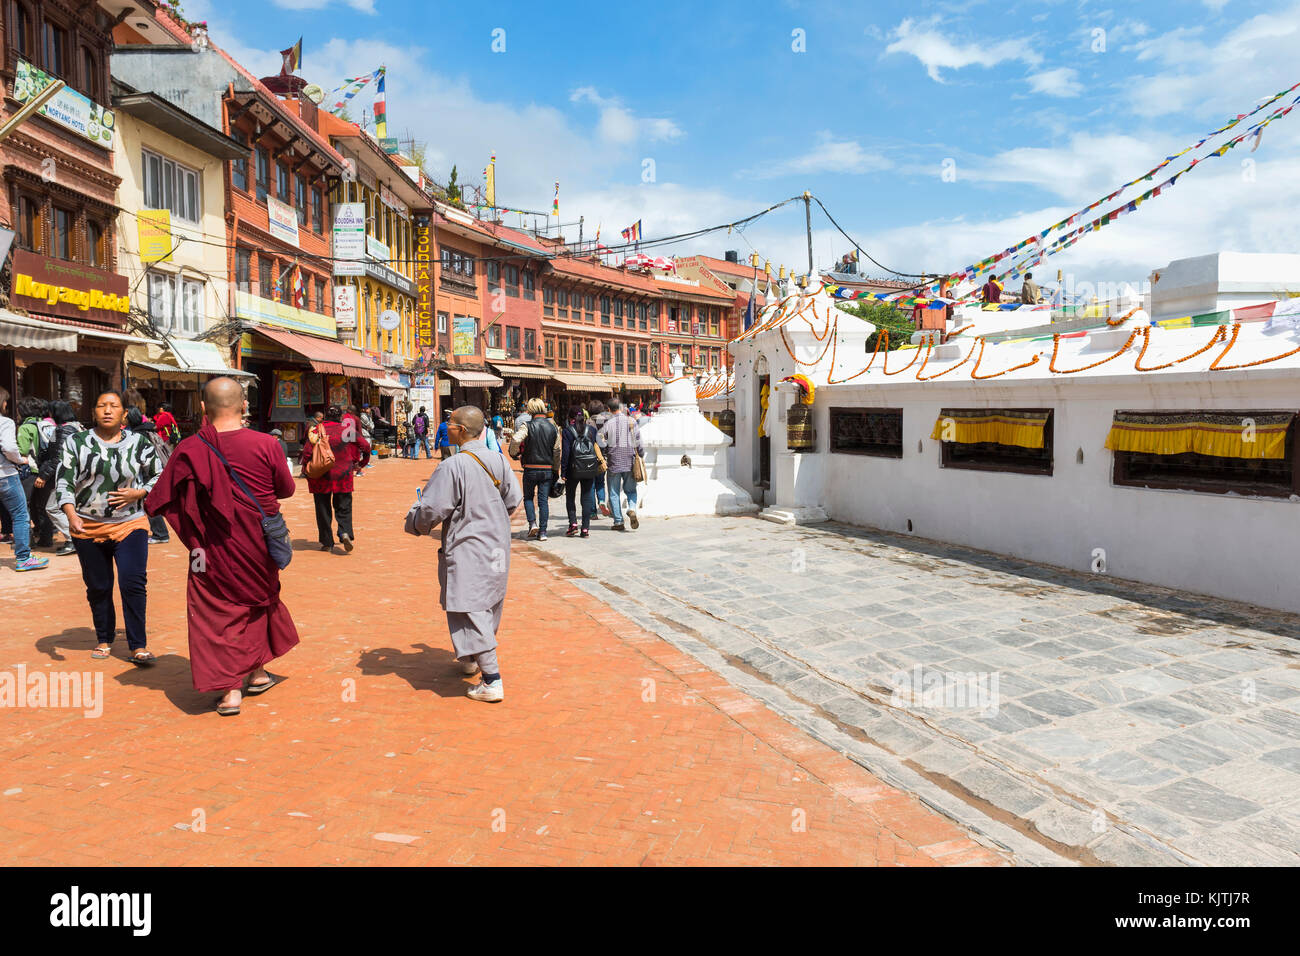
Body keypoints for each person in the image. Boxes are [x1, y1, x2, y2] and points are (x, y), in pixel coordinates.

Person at [145, 377, 299, 716]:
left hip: (212, 548)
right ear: (244, 405)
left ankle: (234, 690)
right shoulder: (267, 444)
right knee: (258, 603)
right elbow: (285, 490)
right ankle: (256, 673)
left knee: (217, 613)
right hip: (259, 544)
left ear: (202, 407)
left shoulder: (189, 448)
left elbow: (164, 497)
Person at [405, 405, 522, 703]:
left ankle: (492, 679)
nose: (448, 425)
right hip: (496, 542)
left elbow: (432, 509)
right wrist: (490, 517)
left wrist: (415, 521)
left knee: (468, 605)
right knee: (489, 601)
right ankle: (471, 657)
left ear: (460, 429)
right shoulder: (497, 459)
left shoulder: (453, 465)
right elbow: (513, 500)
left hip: (468, 545)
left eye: (450, 422)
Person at [57, 391, 163, 662]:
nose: (107, 410)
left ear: (124, 414)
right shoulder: (76, 442)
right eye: (101, 405)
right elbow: (64, 481)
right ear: (93, 411)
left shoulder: (140, 443)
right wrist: (71, 515)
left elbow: (159, 476)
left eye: (113, 406)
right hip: (87, 526)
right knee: (98, 586)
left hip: (130, 523)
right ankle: (104, 638)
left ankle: (138, 645)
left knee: (133, 582)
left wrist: (139, 493)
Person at [301, 404, 370, 552]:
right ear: (340, 416)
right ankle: (344, 532)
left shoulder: (316, 429)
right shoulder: (346, 430)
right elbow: (365, 446)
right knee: (343, 506)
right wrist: (361, 464)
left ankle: (327, 542)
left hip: (321, 475)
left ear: (325, 415)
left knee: (322, 509)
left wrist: (305, 470)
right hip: (343, 474)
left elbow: (307, 452)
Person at [0, 386, 49, 571]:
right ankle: (23, 558)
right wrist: (22, 460)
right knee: (20, 515)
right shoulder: (5, 422)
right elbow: (10, 448)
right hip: (5, 475)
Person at [508, 397, 560, 540]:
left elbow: (516, 439)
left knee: (529, 498)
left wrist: (514, 453)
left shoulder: (527, 425)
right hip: (547, 468)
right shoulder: (553, 427)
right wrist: (555, 469)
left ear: (530, 410)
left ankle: (532, 524)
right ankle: (543, 532)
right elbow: (557, 450)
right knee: (543, 500)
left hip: (530, 467)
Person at [33, 400, 80, 556]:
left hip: (64, 475)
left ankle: (73, 539)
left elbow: (58, 457)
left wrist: (44, 476)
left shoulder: (62, 431)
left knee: (52, 507)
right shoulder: (76, 427)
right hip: (75, 474)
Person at [125, 407, 172, 545]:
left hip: (147, 474)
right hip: (152, 472)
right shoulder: (148, 429)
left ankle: (160, 534)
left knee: (148, 504)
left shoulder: (139, 435)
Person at [597, 397, 644, 532]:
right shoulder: (631, 421)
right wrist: (640, 455)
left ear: (609, 409)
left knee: (613, 493)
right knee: (631, 490)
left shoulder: (608, 424)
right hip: (630, 461)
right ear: (622, 408)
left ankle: (618, 521)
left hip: (614, 462)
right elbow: (639, 442)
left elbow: (600, 441)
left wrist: (606, 450)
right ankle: (631, 508)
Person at [16, 397, 54, 547]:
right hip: (45, 471)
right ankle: (46, 538)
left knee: (23, 505)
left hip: (30, 471)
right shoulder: (47, 425)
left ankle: (28, 540)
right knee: (43, 506)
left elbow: (22, 450)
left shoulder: (25, 427)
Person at [560, 404, 600, 538]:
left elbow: (565, 453)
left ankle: (573, 524)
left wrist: (563, 471)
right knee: (587, 497)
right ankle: (585, 529)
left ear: (569, 417)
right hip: (589, 467)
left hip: (573, 469)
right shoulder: (592, 430)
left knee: (570, 497)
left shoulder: (567, 431)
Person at [589, 400, 612, 516]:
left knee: (591, 485)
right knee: (600, 482)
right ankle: (602, 501)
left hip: (589, 458)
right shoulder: (606, 422)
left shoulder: (587, 423)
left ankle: (593, 513)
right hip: (603, 458)